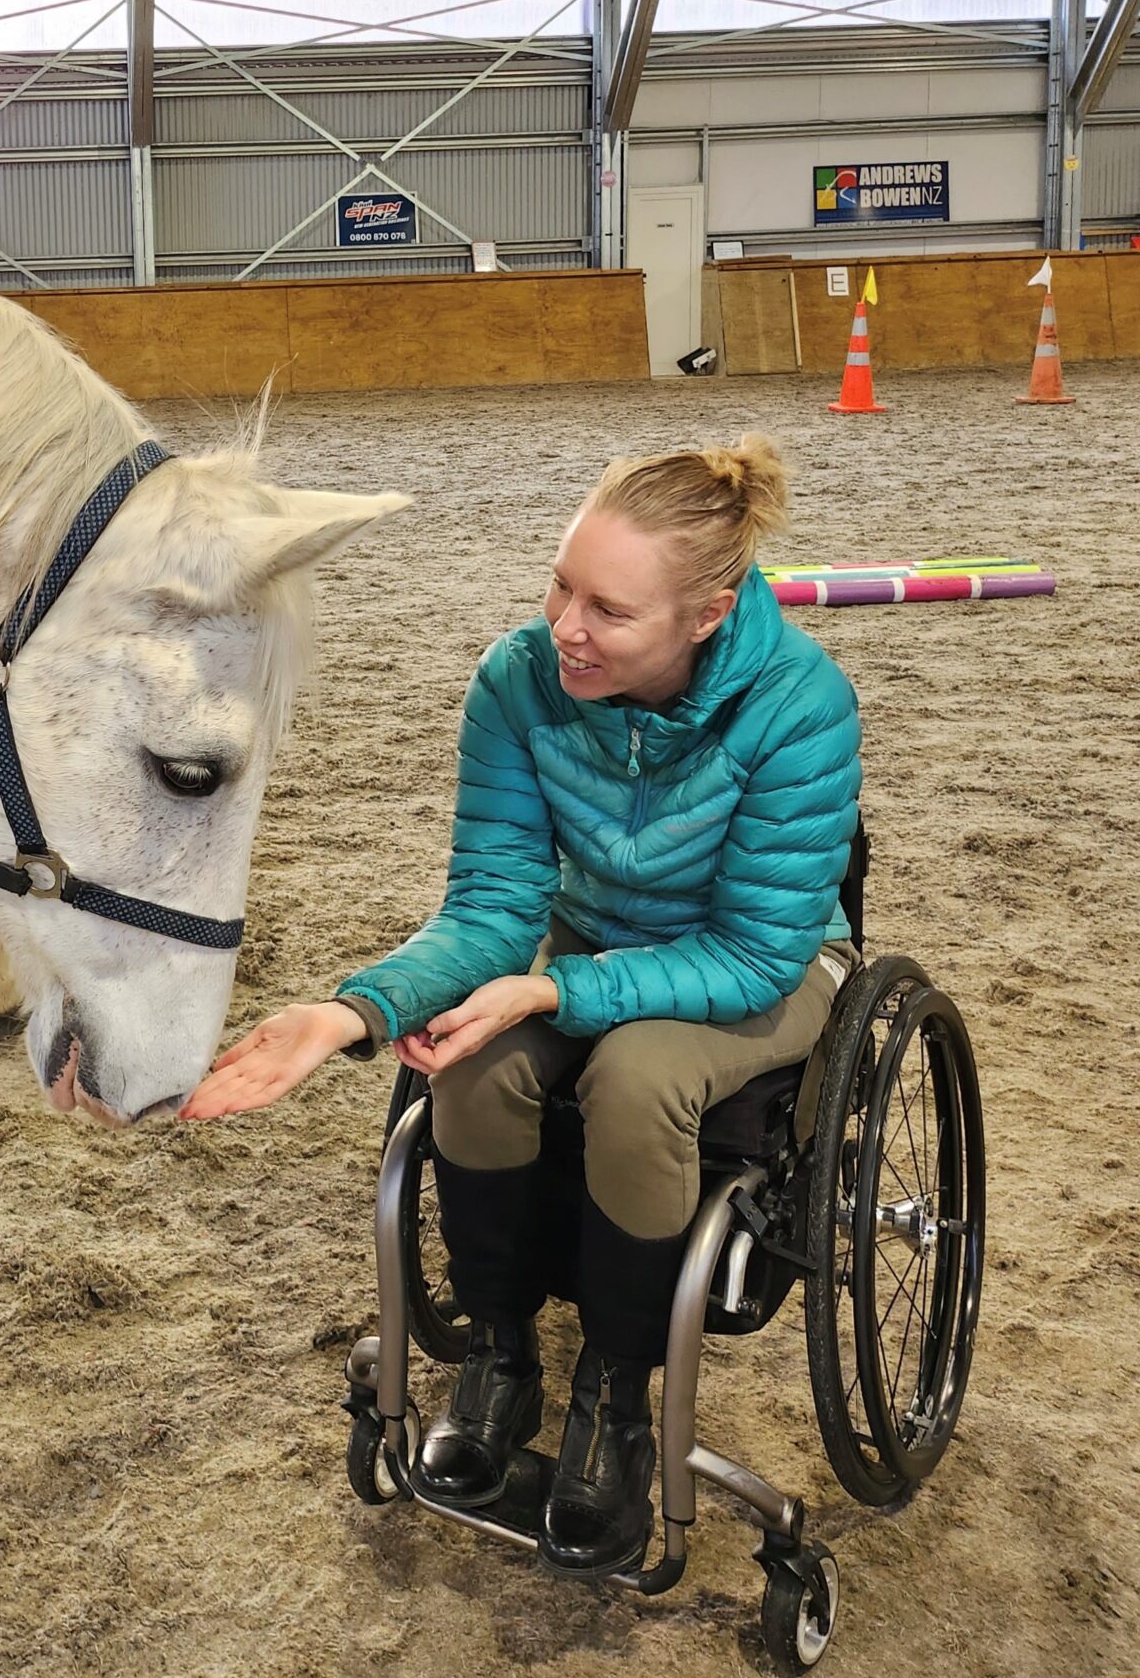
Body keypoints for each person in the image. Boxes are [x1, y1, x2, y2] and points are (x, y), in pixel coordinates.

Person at [181, 435, 860, 1575]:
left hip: (772, 966)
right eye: (560, 585)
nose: (566, 628)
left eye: (608, 609)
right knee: (471, 1061)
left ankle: (615, 1395)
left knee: (637, 1078)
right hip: (585, 939)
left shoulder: (800, 706)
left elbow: (752, 952)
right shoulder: (517, 681)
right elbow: (493, 904)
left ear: (705, 615)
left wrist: (554, 987)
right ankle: (495, 1358)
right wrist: (351, 1015)